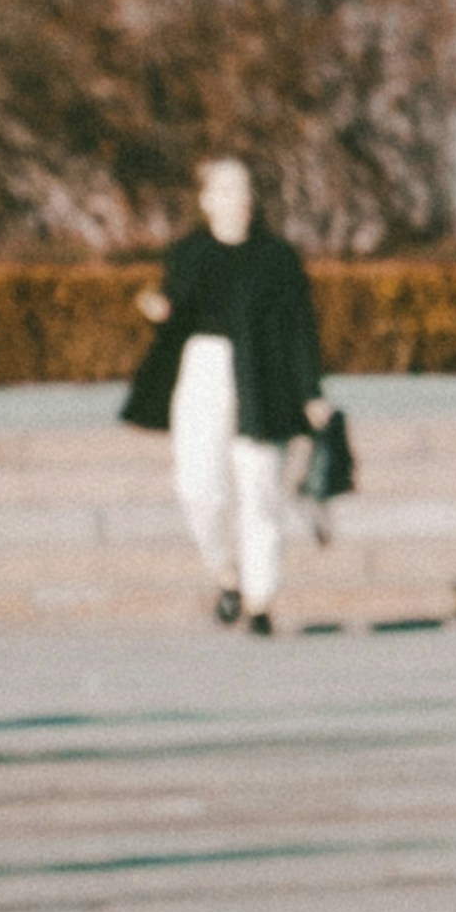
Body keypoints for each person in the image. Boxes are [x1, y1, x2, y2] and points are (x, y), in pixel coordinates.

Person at [120, 156, 322, 635]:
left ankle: (260, 601)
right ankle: (226, 574)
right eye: (228, 189)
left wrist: (311, 391)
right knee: (198, 486)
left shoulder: (278, 258)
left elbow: (301, 328)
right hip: (204, 370)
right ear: (207, 200)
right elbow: (174, 311)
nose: (240, 199)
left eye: (246, 189)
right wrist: (159, 311)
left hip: (265, 375)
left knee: (260, 490)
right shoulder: (189, 252)